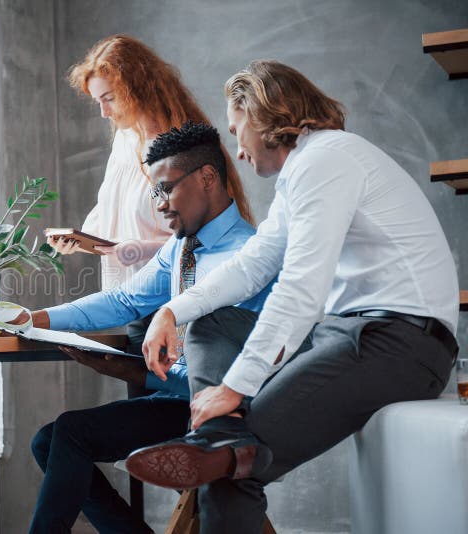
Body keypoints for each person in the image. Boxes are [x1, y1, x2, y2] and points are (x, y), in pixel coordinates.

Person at [128, 60, 460, 533]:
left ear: (263, 116)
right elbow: (255, 264)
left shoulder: (327, 160)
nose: (237, 151)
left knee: (229, 466)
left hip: (399, 344)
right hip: (348, 334)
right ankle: (215, 436)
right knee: (213, 321)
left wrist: (234, 388)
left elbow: (302, 288)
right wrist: (171, 309)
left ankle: (216, 440)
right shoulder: (303, 172)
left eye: (236, 129)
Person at [27, 122, 273, 534]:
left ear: (207, 178)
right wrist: (36, 319)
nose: (159, 205)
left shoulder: (249, 258)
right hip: (181, 401)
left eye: (166, 189)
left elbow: (237, 379)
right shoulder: (181, 248)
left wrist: (131, 372)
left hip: (223, 414)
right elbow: (124, 300)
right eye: (155, 192)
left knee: (69, 433)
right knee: (49, 440)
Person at [52, 34, 254, 356]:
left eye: (110, 98)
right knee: (151, 398)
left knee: (175, 394)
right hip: (134, 300)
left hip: (173, 300)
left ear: (136, 87)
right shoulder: (124, 142)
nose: (104, 113)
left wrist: (130, 250)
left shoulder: (178, 153)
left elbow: (198, 245)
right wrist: (86, 241)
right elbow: (116, 224)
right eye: (98, 102)